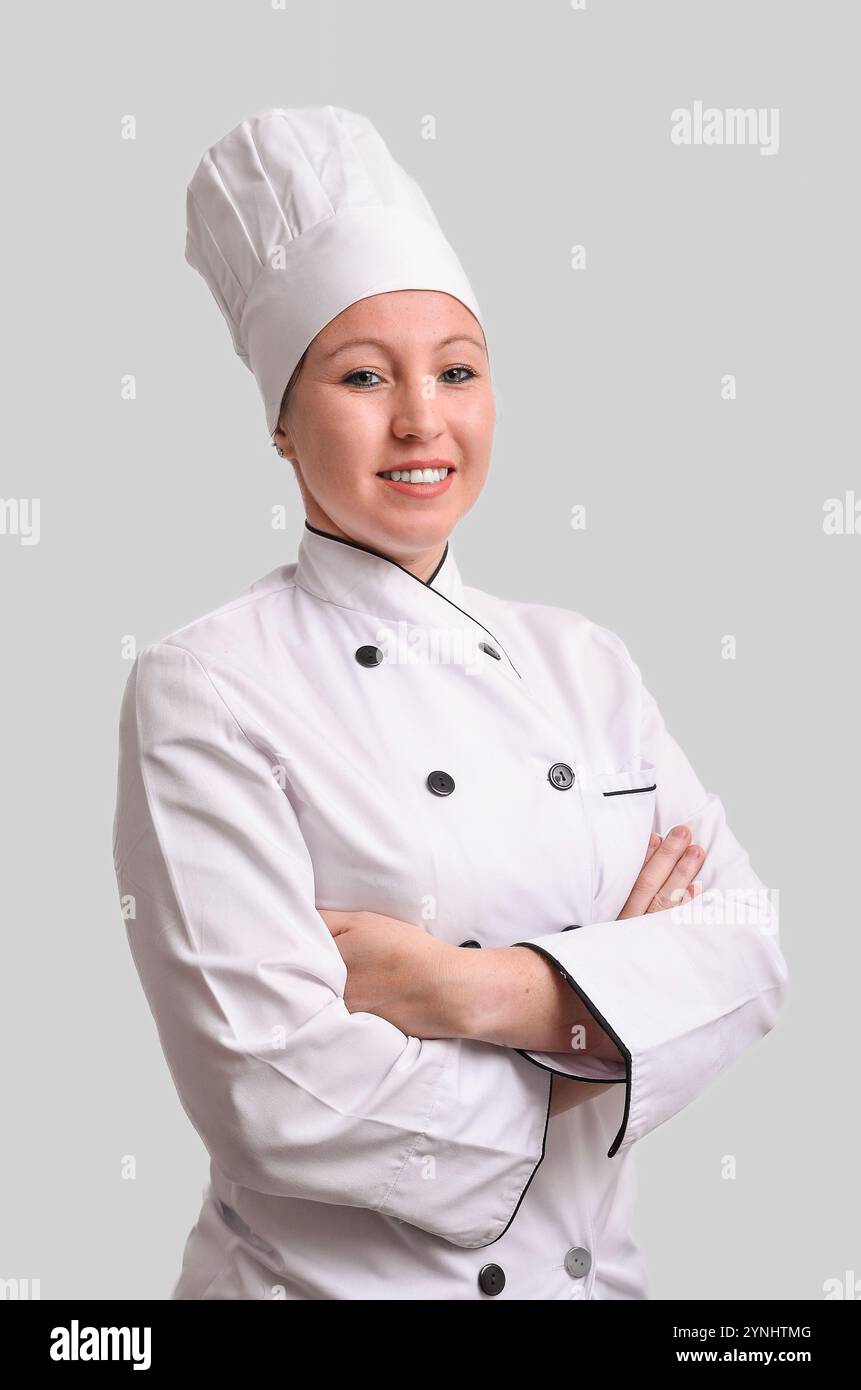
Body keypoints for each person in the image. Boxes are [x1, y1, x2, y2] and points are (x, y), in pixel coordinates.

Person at [112, 106, 789, 1301]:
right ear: (280, 419)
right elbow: (273, 1091)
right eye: (363, 375)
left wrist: (453, 991)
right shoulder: (208, 686)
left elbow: (745, 950)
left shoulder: (584, 662)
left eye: (458, 371)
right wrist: (602, 1030)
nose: (422, 420)